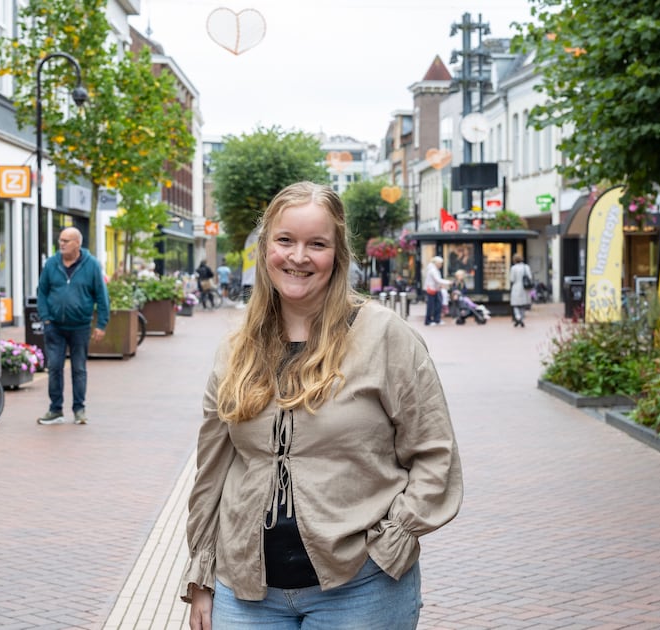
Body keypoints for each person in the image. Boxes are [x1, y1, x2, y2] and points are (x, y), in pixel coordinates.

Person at [181, 182, 463, 629]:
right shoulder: (236, 348)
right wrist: (201, 576)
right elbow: (212, 472)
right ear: (265, 248)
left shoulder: (384, 336)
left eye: (317, 244)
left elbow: (434, 452)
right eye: (285, 240)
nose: (298, 257)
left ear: (338, 254)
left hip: (361, 588)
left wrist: (395, 539)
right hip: (246, 591)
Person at [35, 227, 109, 425]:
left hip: (80, 326)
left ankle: (79, 409)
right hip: (55, 326)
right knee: (55, 367)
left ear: (77, 243)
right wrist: (46, 318)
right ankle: (55, 409)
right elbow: (41, 292)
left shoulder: (91, 265)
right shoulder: (51, 264)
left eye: (66, 240)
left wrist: (101, 324)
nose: (62, 244)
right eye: (61, 240)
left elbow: (101, 296)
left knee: (78, 368)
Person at [423, 255, 450, 326]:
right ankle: (428, 321)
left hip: (436, 289)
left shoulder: (435, 270)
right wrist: (448, 282)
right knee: (431, 306)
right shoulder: (432, 270)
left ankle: (436, 319)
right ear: (436, 263)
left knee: (438, 305)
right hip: (432, 290)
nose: (441, 265)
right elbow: (437, 280)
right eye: (440, 263)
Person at [508, 252, 534, 327]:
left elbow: (512, 279)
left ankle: (518, 317)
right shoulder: (526, 267)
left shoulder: (513, 268)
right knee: (523, 305)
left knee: (515, 304)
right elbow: (530, 277)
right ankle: (521, 319)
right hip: (525, 288)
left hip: (516, 287)